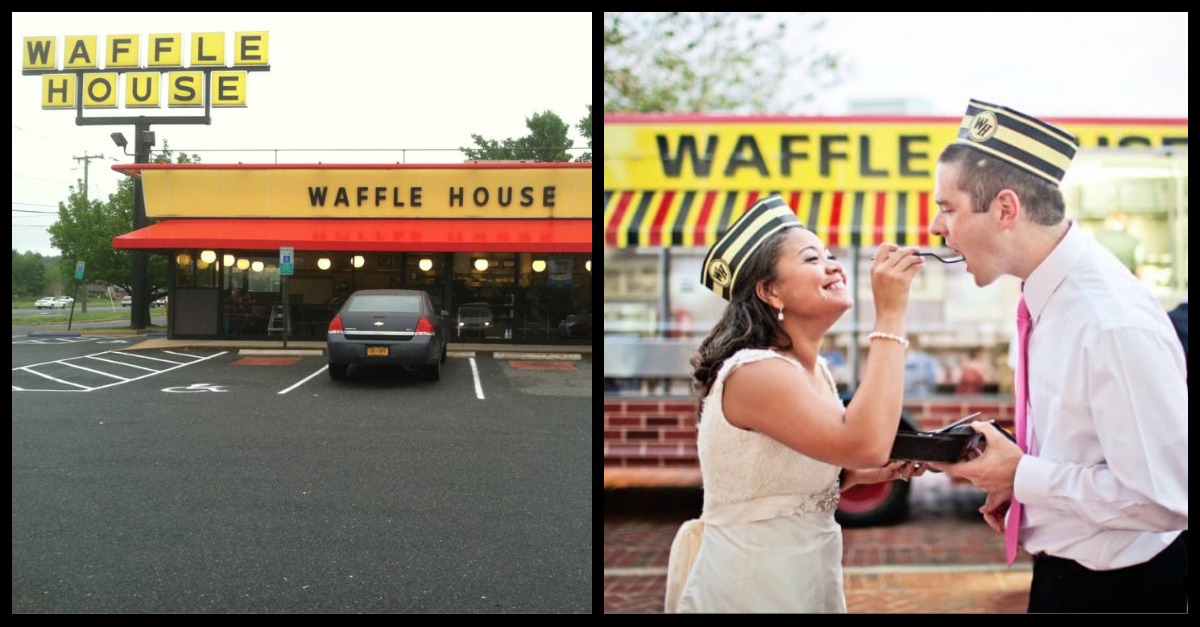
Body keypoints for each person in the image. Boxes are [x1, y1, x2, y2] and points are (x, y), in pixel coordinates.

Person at [928, 99, 1188, 612]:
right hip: (1076, 573)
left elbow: (1166, 497)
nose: (937, 227)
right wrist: (1025, 484)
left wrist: (1021, 475)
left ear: (1006, 209)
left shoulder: (1108, 322)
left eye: (947, 207)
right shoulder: (1047, 291)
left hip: (1117, 589)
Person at [665, 194, 926, 613]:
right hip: (752, 584)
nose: (834, 265)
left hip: (803, 575)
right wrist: (890, 315)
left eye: (830, 254)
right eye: (811, 259)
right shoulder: (756, 373)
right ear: (769, 290)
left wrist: (856, 476)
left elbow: (784, 484)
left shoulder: (814, 370)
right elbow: (866, 442)